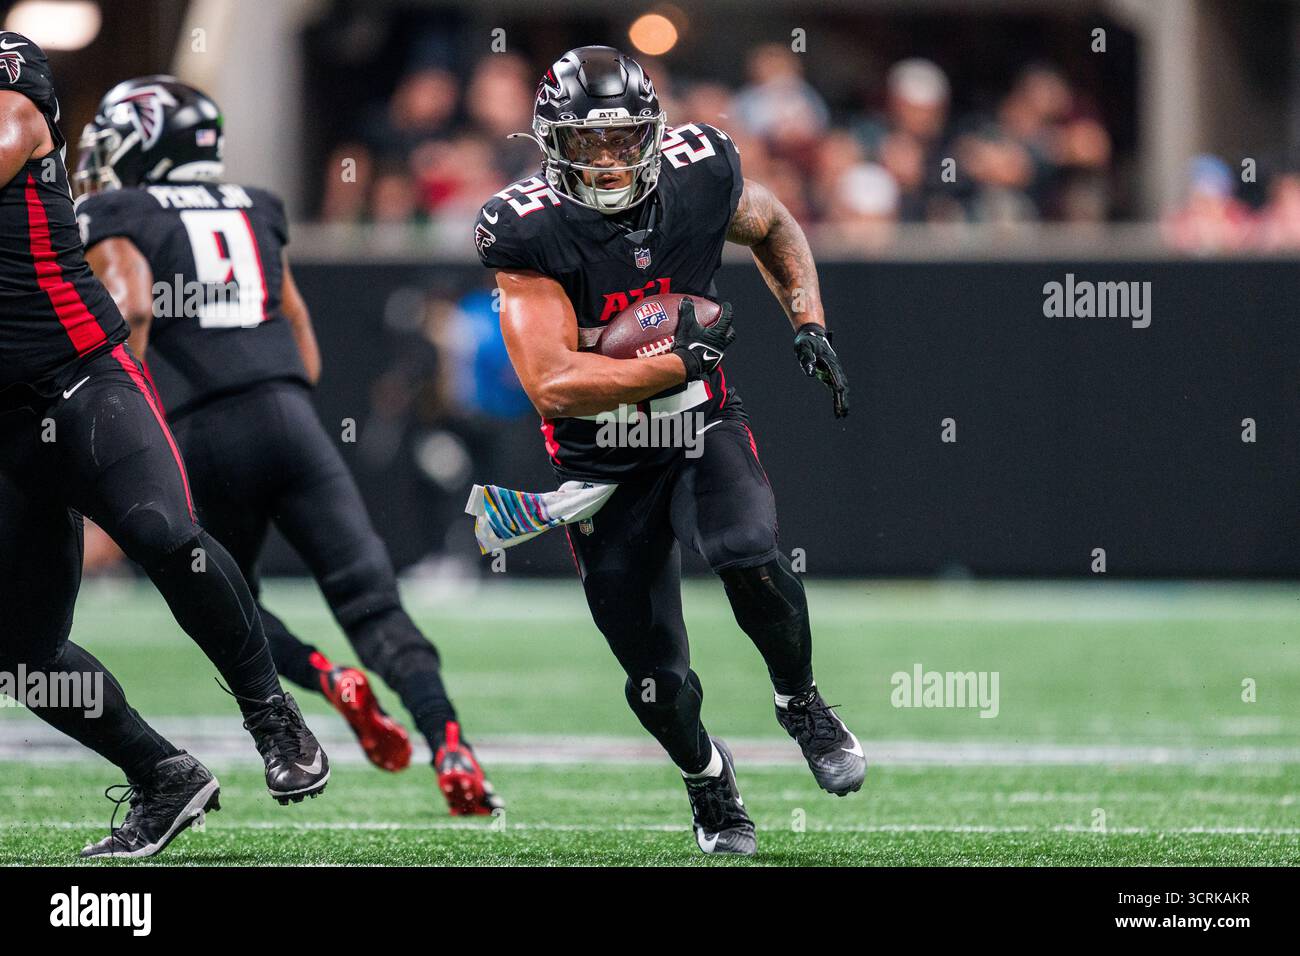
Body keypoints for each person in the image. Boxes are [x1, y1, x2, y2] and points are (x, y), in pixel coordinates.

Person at [474, 46, 863, 856]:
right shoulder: (529, 230)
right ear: (552, 145)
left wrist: (808, 318)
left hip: (697, 429)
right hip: (602, 467)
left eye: (622, 140)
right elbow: (551, 382)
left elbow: (774, 223)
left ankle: (801, 702)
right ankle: (706, 778)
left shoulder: (700, 172)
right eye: (587, 143)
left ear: (651, 133)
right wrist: (678, 360)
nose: (609, 161)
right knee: (656, 677)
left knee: (750, 549)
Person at [75, 76, 501, 815]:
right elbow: (302, 337)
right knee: (373, 603)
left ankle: (328, 678)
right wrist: (278, 393)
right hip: (290, 418)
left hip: (198, 428)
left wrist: (130, 422)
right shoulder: (255, 204)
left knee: (226, 605)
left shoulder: (118, 209)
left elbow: (135, 306)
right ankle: (452, 744)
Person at [0, 35, 329, 859]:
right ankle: (164, 775)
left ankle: (271, 713)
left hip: (82, 375)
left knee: (160, 533)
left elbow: (9, 130)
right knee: (20, 650)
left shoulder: (10, 78)